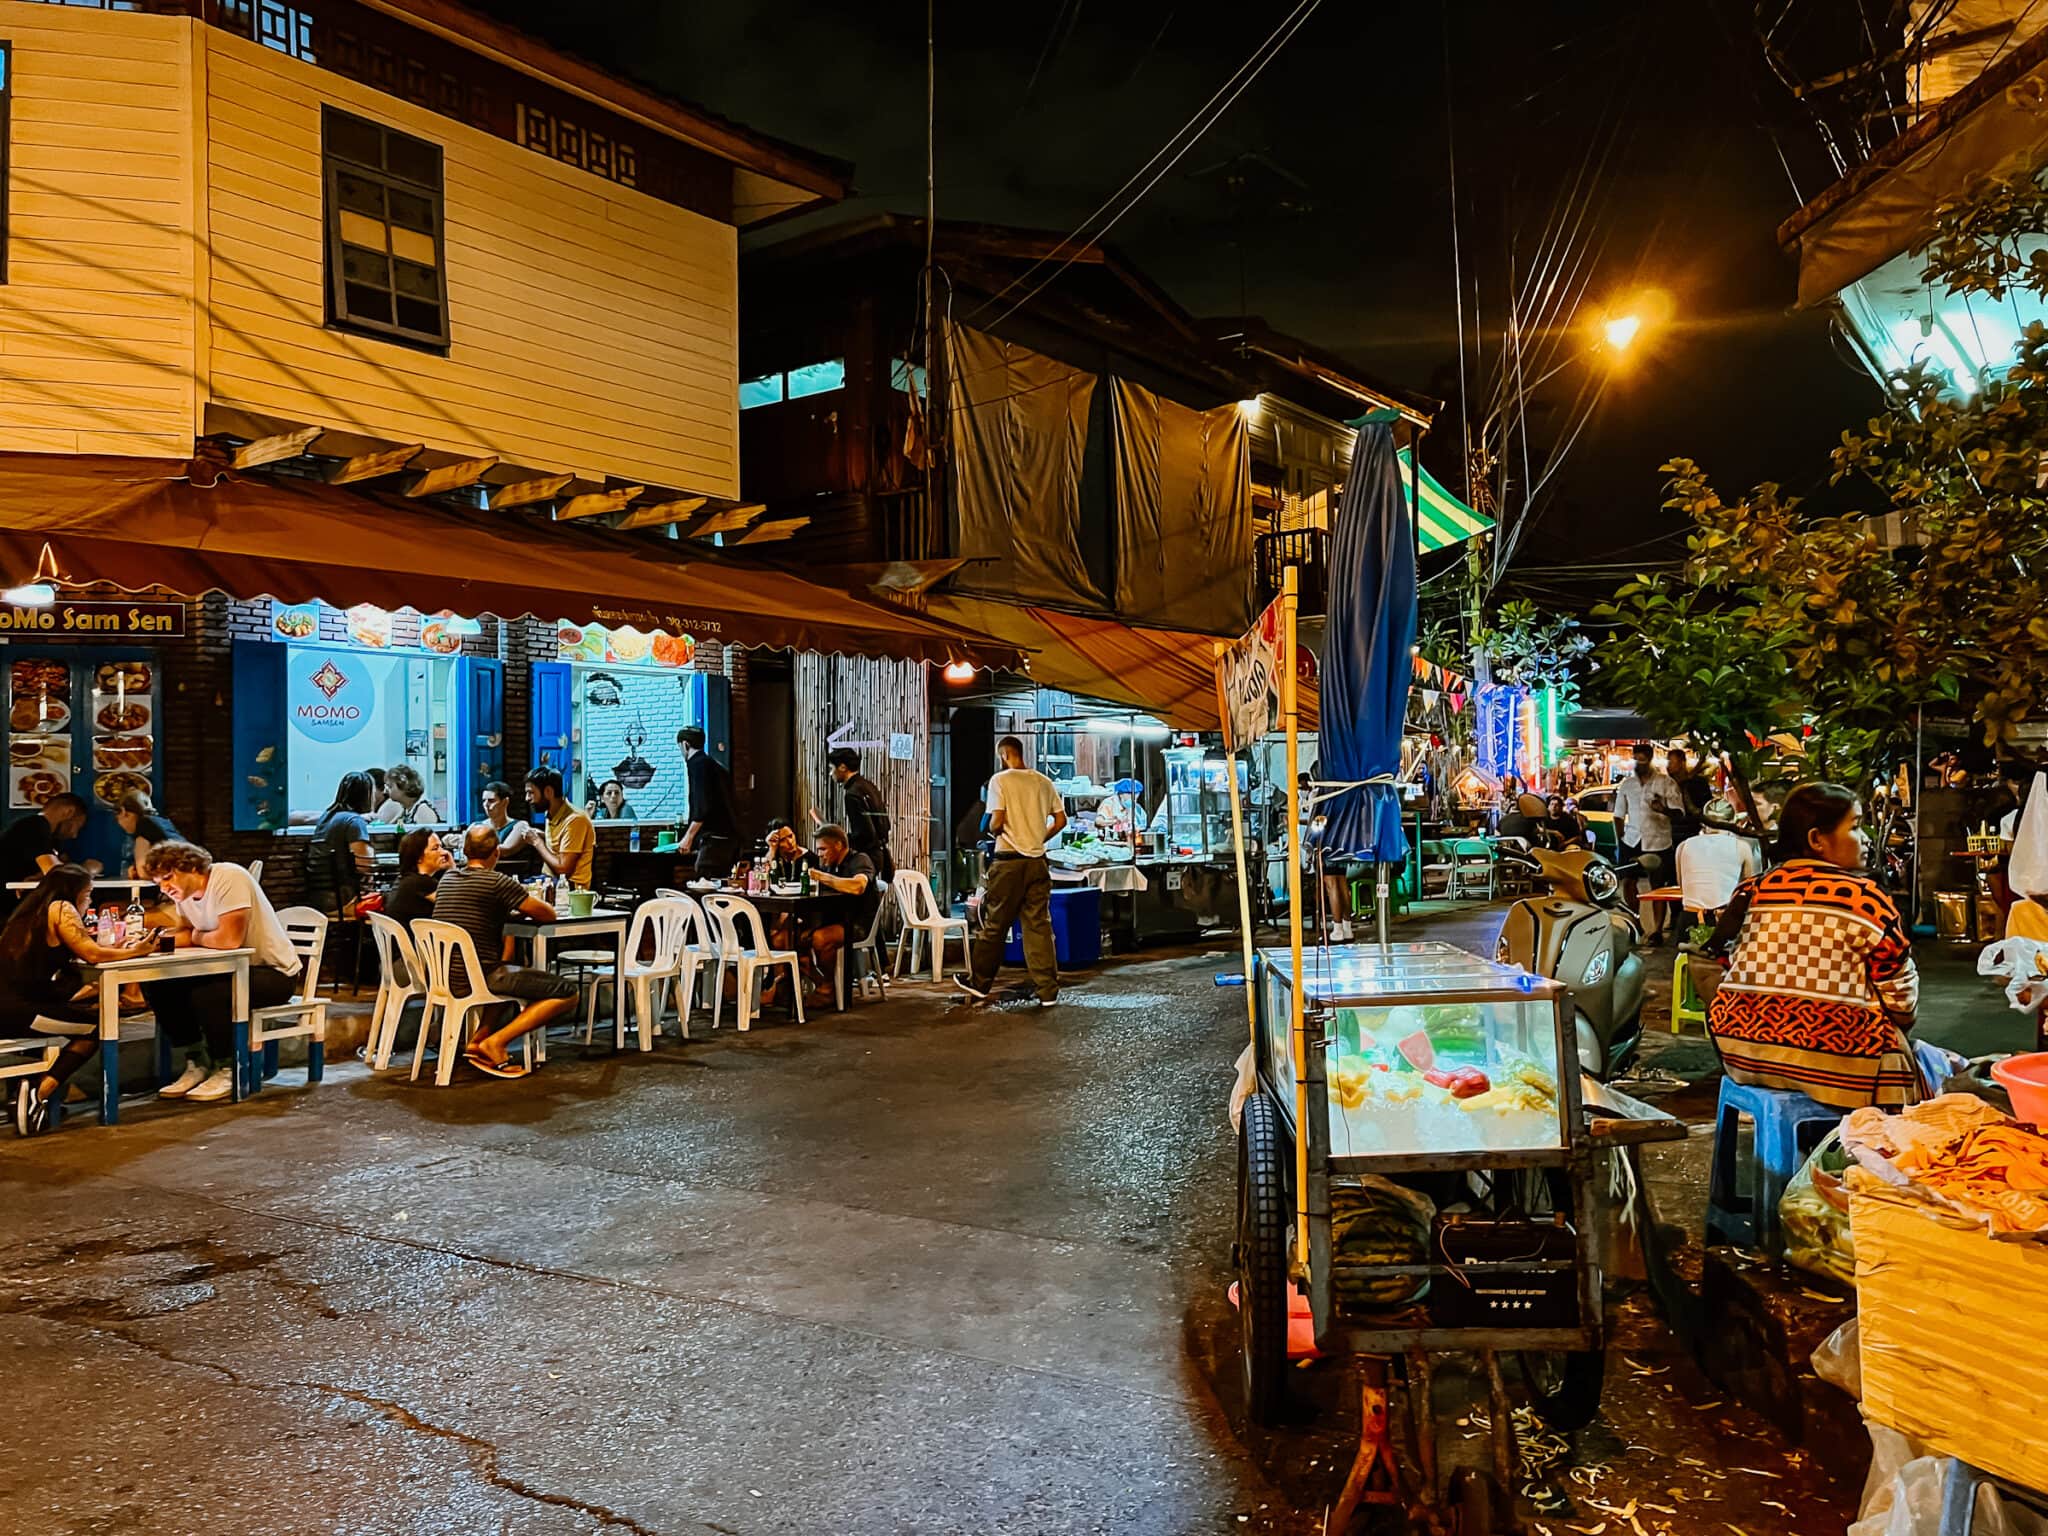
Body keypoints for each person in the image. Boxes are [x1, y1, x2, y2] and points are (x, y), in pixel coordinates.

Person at [1707, 784, 1929, 1109]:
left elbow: (1729, 964)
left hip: (1742, 1053)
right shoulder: (1864, 899)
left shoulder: (1751, 891)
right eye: (1854, 827)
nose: (1865, 838)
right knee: (1899, 1049)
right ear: (1816, 840)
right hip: (1837, 1066)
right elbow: (1901, 1002)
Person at [143, 841, 304, 1104]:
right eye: (159, 882)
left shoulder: (229, 877)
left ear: (191, 868)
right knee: (159, 983)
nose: (164, 887)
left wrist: (195, 936)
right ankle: (196, 1060)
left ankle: (228, 1066)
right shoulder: (184, 897)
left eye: (168, 877)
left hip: (273, 973)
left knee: (210, 992)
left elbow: (230, 940)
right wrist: (149, 942)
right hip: (229, 970)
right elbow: (189, 935)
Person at [2, 865, 156, 1135]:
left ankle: (26, 1092)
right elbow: (92, 955)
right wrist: (138, 951)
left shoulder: (27, 913)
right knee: (97, 1029)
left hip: (13, 1006)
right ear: (74, 892)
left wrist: (112, 950)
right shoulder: (62, 908)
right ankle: (40, 1092)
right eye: (88, 894)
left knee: (77, 1013)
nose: (89, 901)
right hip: (19, 1011)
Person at [430, 823, 580, 1078]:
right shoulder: (497, 882)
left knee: (505, 967)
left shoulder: (448, 879)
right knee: (568, 992)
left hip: (444, 975)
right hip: (479, 977)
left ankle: (478, 1042)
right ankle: (497, 1042)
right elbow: (548, 914)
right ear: (496, 853)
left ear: (465, 852)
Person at [954, 735, 1065, 1006]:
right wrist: (1038, 837)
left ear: (1003, 755)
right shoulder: (1043, 781)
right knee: (1038, 926)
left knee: (994, 925)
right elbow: (1061, 820)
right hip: (1038, 861)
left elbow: (996, 822)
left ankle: (979, 984)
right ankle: (1048, 991)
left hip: (1009, 863)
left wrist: (994, 828)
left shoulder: (1000, 780)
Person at [1614, 743, 1685, 942]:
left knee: (1657, 886)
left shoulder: (1665, 783)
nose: (1640, 763)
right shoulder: (1627, 784)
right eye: (1637, 759)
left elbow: (1679, 813)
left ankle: (1656, 930)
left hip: (1658, 840)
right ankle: (1636, 922)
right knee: (1628, 882)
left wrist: (1663, 809)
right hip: (1632, 839)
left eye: (1643, 759)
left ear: (1651, 759)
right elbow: (1618, 814)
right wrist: (1620, 838)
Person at [801, 823, 879, 1005]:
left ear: (838, 845)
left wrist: (823, 877)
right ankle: (821, 985)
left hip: (857, 924)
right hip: (831, 920)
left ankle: (828, 989)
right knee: (789, 938)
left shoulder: (860, 860)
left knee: (820, 939)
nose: (819, 854)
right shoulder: (829, 865)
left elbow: (858, 886)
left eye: (823, 849)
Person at [0, 794, 94, 911]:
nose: (74, 835)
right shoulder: (35, 825)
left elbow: (60, 866)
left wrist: (40, 876)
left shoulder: (52, 837)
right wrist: (87, 868)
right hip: (8, 908)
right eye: (77, 826)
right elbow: (60, 874)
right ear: (69, 812)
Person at [1676, 798, 1761, 923]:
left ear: (1703, 822)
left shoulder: (1683, 846)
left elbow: (1682, 885)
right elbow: (1746, 888)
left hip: (1690, 916)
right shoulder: (1741, 847)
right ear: (1733, 823)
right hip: (1726, 918)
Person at [676, 726, 739, 879]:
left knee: (706, 883)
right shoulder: (714, 765)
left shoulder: (697, 765)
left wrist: (688, 837)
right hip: (730, 838)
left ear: (685, 744)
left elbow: (702, 806)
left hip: (714, 840)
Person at [825, 748, 894, 879]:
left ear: (842, 767)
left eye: (831, 768)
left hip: (867, 857)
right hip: (879, 853)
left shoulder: (852, 794)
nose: (830, 774)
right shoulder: (868, 786)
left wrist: (842, 840)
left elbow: (863, 834)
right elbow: (885, 824)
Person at [525, 765, 594, 890]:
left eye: (531, 793)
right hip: (548, 882)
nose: (527, 798)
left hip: (569, 890)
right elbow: (559, 846)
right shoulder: (551, 814)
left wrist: (536, 842)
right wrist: (542, 835)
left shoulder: (575, 820)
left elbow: (563, 870)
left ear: (548, 792)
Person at [384, 827, 450, 929]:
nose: (444, 852)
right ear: (419, 857)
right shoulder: (421, 883)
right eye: (435, 848)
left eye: (441, 847)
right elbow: (454, 906)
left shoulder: (404, 879)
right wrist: (453, 869)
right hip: (415, 943)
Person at [114, 790, 180, 882]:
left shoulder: (143, 826)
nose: (119, 823)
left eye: (117, 818)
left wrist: (137, 871)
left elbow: (143, 873)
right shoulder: (162, 822)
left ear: (123, 811)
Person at [479, 780, 542, 875]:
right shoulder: (478, 826)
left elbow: (505, 849)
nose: (486, 805)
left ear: (505, 802)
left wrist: (472, 846)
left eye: (491, 801)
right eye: (484, 801)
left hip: (512, 878)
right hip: (484, 877)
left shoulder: (519, 826)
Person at [1665, 748, 1710, 846]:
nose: (1668, 766)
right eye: (1667, 763)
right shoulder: (1666, 784)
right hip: (1671, 834)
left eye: (1671, 762)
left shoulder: (1699, 783)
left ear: (1682, 763)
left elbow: (1707, 806)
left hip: (1693, 832)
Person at [372, 762, 439, 826]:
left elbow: (427, 835)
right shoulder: (405, 810)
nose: (385, 791)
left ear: (404, 786)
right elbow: (394, 830)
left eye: (390, 786)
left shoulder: (422, 810)